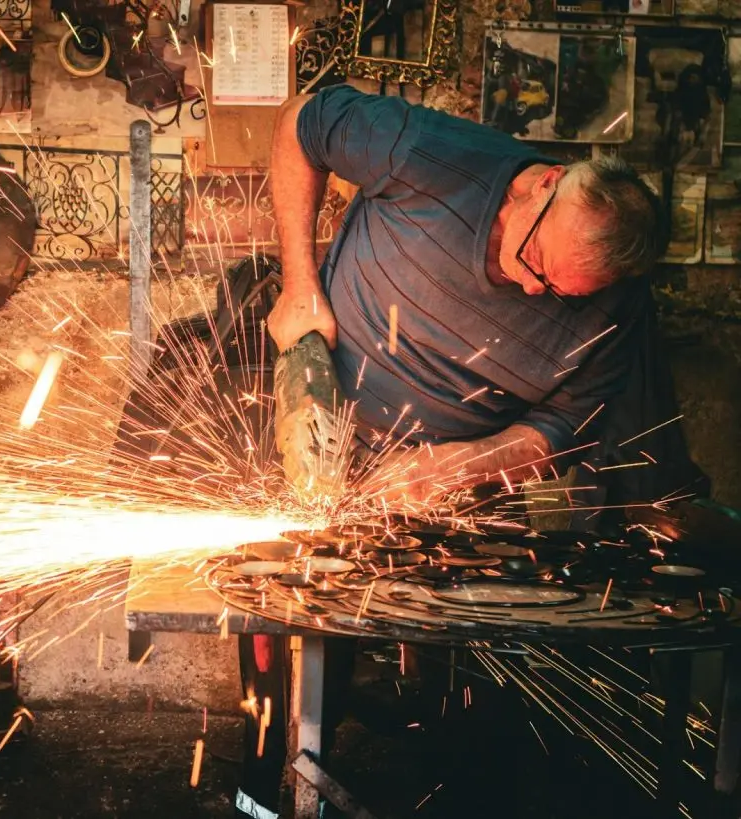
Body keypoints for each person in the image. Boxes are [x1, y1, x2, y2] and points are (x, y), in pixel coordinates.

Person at [233, 84, 708, 819]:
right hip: (322, 418)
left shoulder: (616, 311)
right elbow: (299, 122)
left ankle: (428, 767)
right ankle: (262, 789)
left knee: (448, 676)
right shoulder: (433, 155)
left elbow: (560, 429)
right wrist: (300, 282)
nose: (528, 284)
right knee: (278, 619)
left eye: (557, 290)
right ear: (544, 185)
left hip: (445, 496)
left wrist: (456, 466)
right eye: (532, 260)